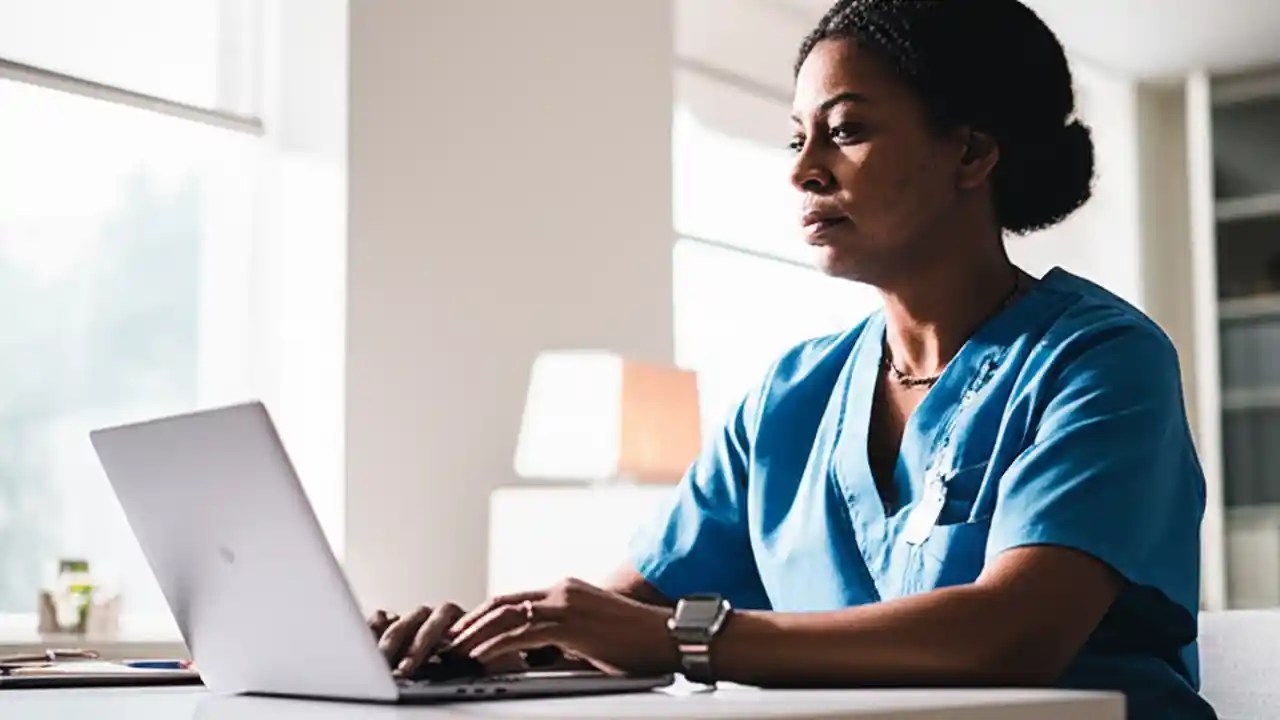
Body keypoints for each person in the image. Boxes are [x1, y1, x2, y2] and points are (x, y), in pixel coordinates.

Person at [370, 1, 1215, 717]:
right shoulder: (790, 397)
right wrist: (471, 646)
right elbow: (626, 615)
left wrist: (686, 639)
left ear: (970, 152)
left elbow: (1012, 635)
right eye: (796, 140)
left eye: (845, 131)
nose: (804, 171)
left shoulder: (1100, 362)